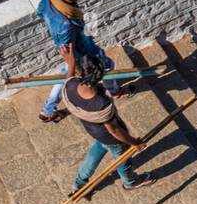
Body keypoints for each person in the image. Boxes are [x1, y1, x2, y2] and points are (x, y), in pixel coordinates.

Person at [64, 51, 156, 194]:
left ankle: (79, 183)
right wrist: (134, 142)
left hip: (93, 130)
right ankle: (130, 182)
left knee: (96, 153)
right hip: (111, 137)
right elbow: (114, 130)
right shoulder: (101, 103)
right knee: (123, 159)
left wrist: (70, 63)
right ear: (99, 76)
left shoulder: (71, 86)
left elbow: (69, 78)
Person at [35, 0, 122, 124]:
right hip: (80, 49)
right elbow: (69, 49)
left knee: (65, 73)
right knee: (106, 66)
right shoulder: (65, 25)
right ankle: (113, 90)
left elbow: (40, 12)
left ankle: (48, 110)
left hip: (76, 41)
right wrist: (76, 65)